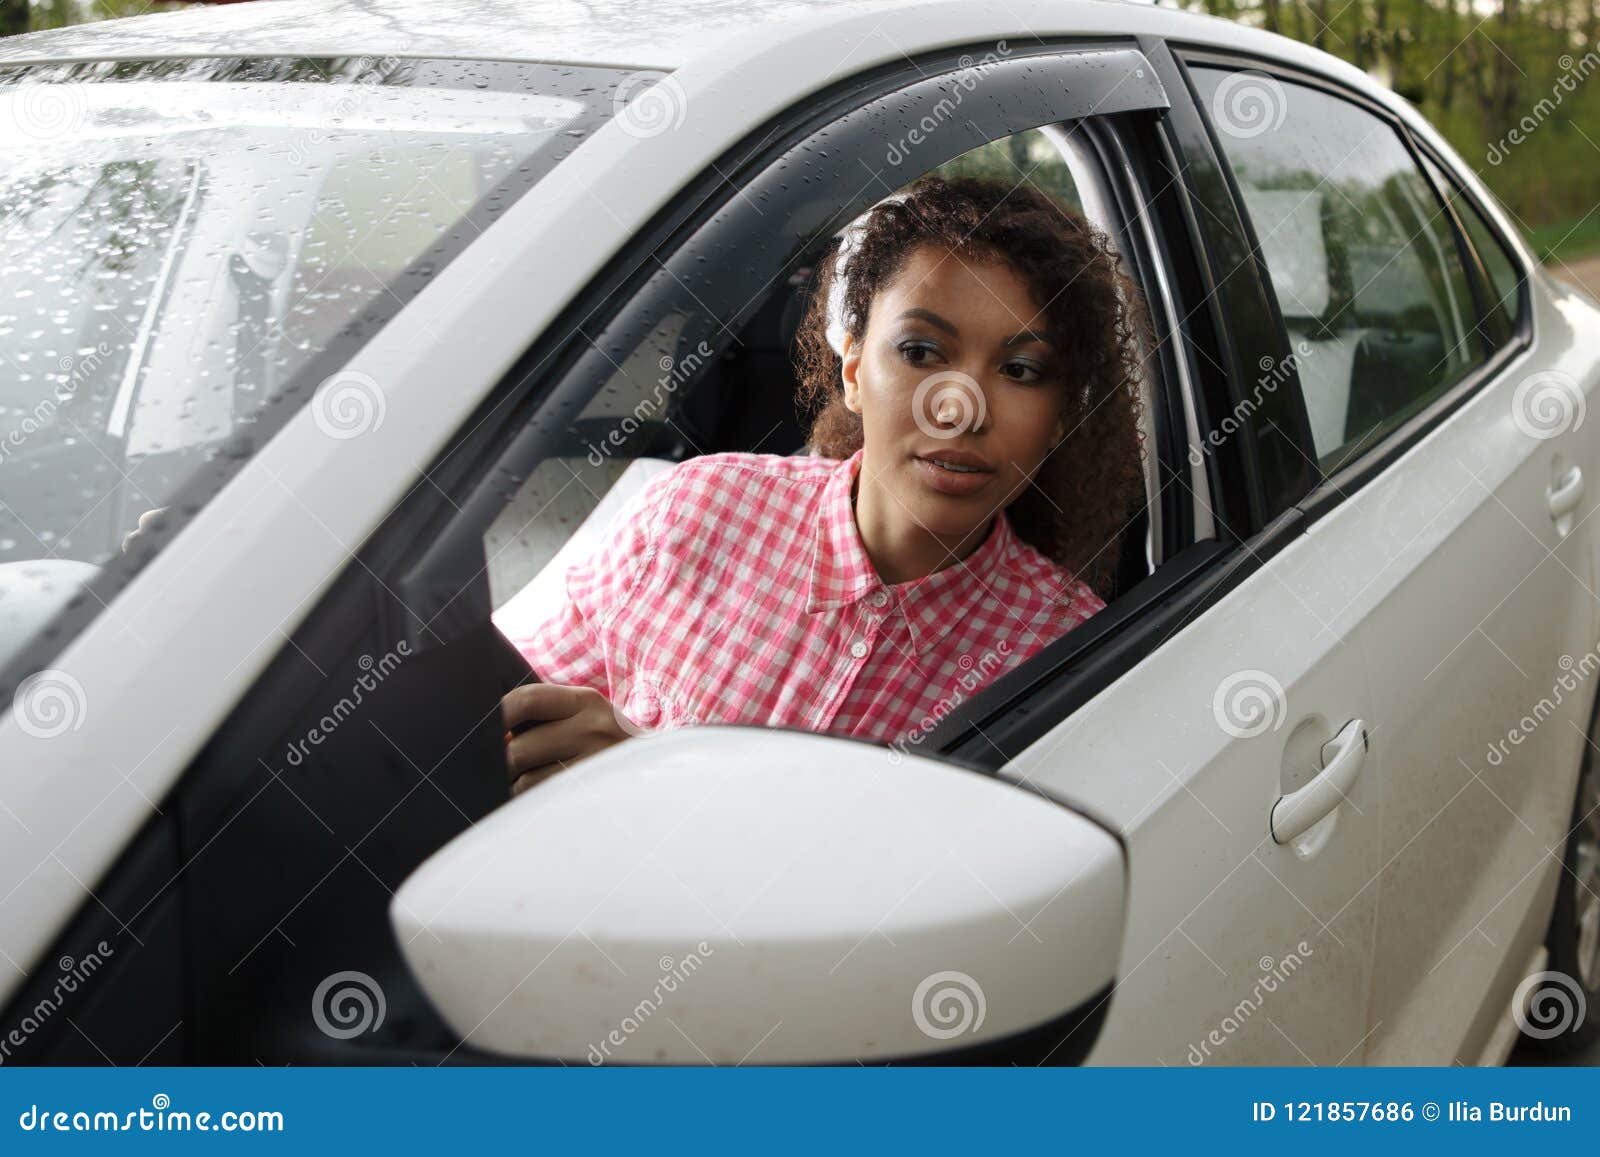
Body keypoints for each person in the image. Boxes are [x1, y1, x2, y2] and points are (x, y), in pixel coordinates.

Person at [501, 174, 1149, 794]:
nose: (960, 409)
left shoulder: (1068, 656)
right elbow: (505, 717)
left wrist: (655, 781)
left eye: (1020, 369)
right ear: (854, 371)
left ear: (1061, 416)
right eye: (921, 352)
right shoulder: (691, 513)